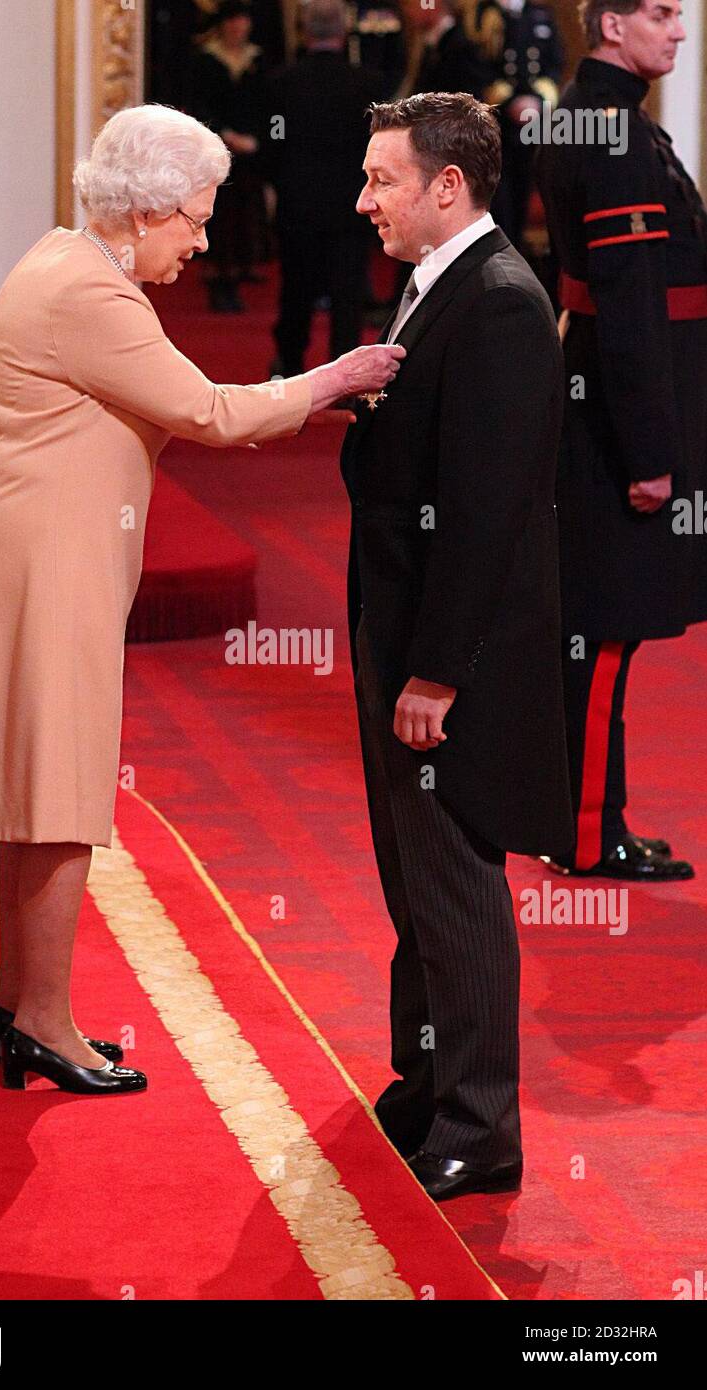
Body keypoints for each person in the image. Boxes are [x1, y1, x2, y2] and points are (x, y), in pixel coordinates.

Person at [0, 103, 404, 1096]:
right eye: (190, 218)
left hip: (30, 539)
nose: (199, 240)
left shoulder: (69, 262)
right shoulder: (91, 296)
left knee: (34, 776)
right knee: (58, 781)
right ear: (141, 212)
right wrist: (335, 376)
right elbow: (211, 415)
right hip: (45, 551)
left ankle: (18, 1004)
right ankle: (47, 1020)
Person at [341, 91, 571, 1199]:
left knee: (453, 882)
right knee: (410, 874)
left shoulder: (496, 303)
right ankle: (427, 1083)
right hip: (399, 621)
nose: (362, 198)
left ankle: (480, 1127)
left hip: (447, 652)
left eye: (381, 179)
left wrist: (434, 671)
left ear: (446, 185)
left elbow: (483, 516)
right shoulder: (438, 287)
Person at [536, 0, 706, 881]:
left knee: (605, 634)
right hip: (620, 417)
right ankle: (586, 831)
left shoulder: (596, 120)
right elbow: (633, 306)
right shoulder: (611, 136)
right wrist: (653, 455)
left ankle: (595, 819)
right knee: (605, 633)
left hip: (599, 397)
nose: (677, 31)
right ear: (608, 25)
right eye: (660, 14)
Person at [265, 0, 388, 376]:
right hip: (351, 205)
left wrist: (279, 185)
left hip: (297, 204)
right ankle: (345, 378)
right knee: (347, 295)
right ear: (344, 31)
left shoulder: (280, 84)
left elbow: (272, 141)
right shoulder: (369, 85)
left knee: (296, 293)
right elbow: (378, 148)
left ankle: (287, 367)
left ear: (304, 31)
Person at [186, 1, 268, 312]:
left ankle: (246, 262)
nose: (238, 26)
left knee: (248, 209)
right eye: (232, 20)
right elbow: (196, 107)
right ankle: (221, 277)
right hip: (214, 149)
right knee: (221, 213)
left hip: (251, 149)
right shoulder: (205, 61)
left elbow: (273, 111)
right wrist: (223, 134)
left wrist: (266, 138)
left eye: (243, 19)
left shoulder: (259, 60)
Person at [484, 0, 564, 251]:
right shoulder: (484, 15)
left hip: (533, 124)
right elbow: (478, 67)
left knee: (526, 195)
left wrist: (538, 100)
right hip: (495, 123)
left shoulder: (540, 15)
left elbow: (554, 64)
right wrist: (508, 102)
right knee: (498, 201)